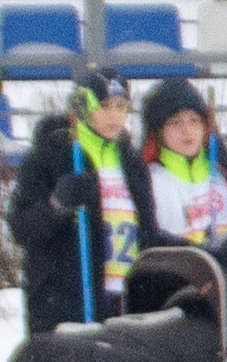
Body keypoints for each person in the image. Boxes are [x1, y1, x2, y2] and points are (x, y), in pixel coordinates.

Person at [7, 69, 160, 333]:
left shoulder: (131, 162)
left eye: (121, 106)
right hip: (67, 304)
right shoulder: (50, 157)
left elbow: (146, 228)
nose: (115, 116)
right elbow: (22, 227)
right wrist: (58, 204)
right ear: (82, 105)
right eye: (104, 106)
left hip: (124, 303)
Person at [139, 78, 227, 242]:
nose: (187, 130)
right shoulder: (146, 180)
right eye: (175, 123)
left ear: (205, 126)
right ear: (158, 132)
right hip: (174, 266)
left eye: (194, 120)